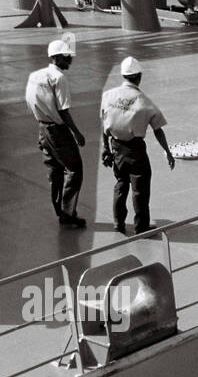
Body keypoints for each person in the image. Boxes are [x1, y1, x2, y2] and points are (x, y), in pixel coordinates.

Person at [100, 56, 175, 235]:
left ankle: (118, 223)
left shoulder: (108, 96)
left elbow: (105, 125)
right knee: (140, 189)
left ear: (124, 75)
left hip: (116, 146)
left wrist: (106, 148)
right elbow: (158, 129)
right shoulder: (144, 102)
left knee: (120, 184)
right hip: (135, 150)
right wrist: (168, 152)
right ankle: (141, 227)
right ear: (139, 77)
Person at [25, 39, 87, 228]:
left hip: (42, 127)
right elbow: (63, 111)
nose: (70, 59)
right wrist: (77, 133)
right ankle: (68, 214)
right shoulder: (59, 79)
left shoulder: (35, 75)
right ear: (57, 58)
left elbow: (30, 100)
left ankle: (60, 210)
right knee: (74, 169)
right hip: (57, 130)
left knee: (55, 170)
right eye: (67, 56)